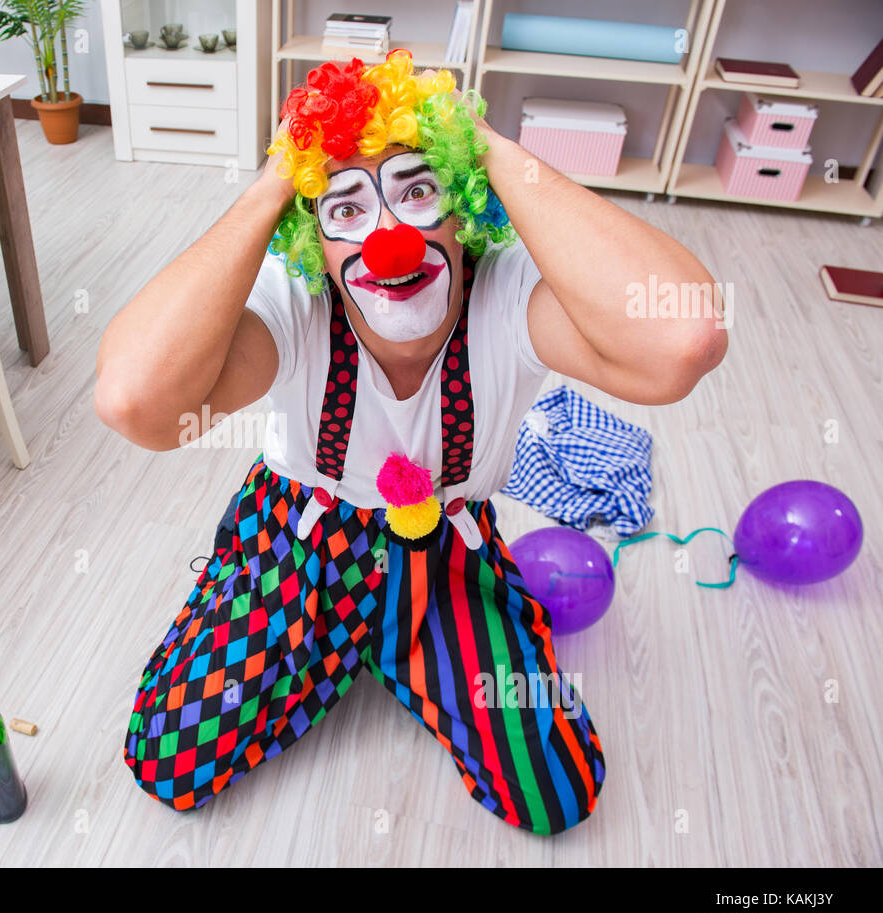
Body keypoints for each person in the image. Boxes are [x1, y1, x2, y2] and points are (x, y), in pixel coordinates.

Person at [95, 51, 726, 834]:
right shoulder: (297, 303)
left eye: (420, 191)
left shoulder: (505, 289)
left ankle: (393, 649)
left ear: (467, 208)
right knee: (168, 758)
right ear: (311, 238)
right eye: (346, 208)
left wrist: (485, 144)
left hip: (449, 552)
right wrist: (273, 181)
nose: (389, 238)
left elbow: (685, 337)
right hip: (298, 545)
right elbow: (133, 401)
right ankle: (328, 642)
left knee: (558, 790)